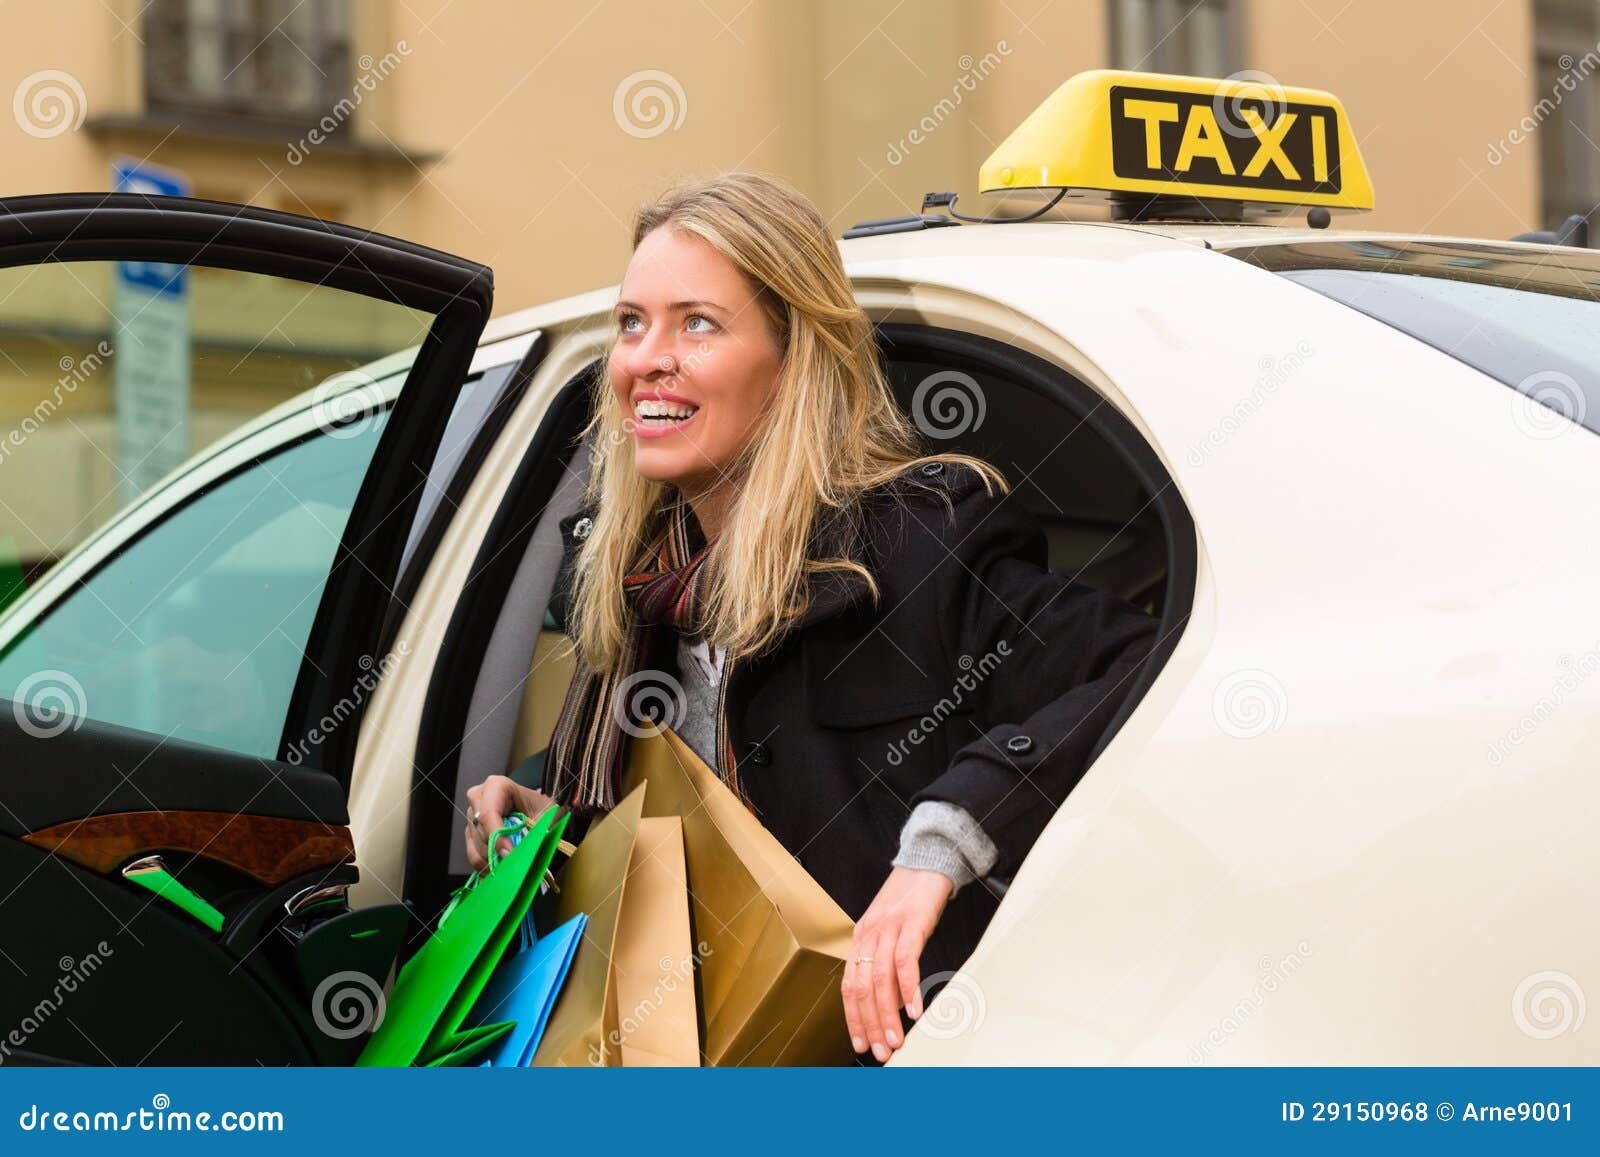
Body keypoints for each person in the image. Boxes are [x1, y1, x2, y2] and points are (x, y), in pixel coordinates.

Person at [465, 170, 1160, 1063]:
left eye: (698, 323)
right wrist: (543, 808)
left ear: (794, 359)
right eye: (633, 322)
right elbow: (672, 777)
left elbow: (1141, 666)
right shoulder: (640, 584)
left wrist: (938, 850)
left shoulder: (923, 539)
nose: (646, 358)